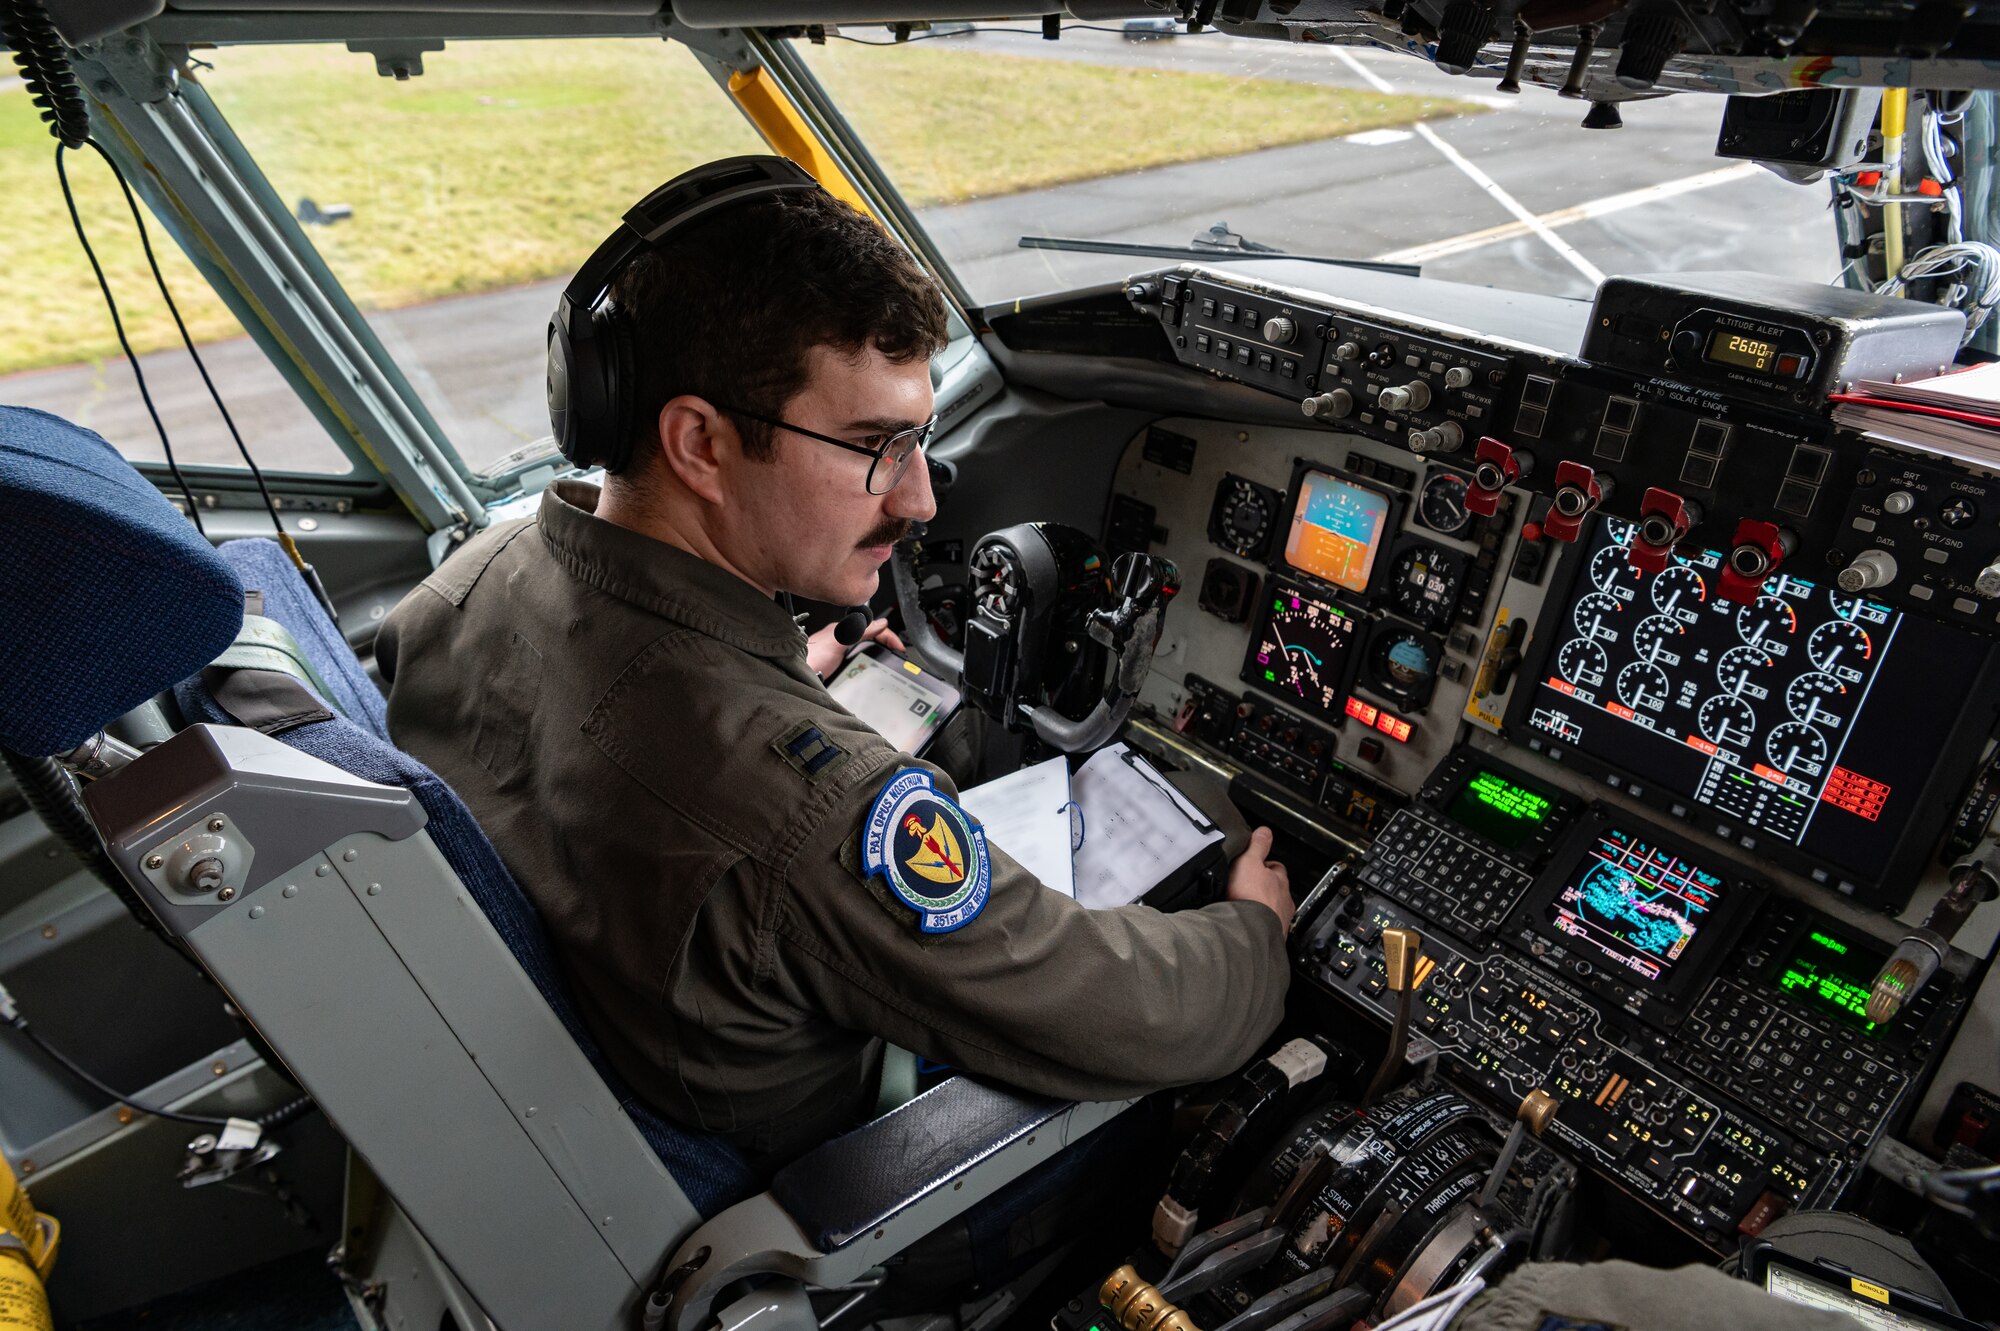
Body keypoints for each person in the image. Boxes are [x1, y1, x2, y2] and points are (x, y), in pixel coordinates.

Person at [377, 164, 1293, 1174]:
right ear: (699, 443)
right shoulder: (812, 810)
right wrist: (1251, 933)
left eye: (919, 442)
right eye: (874, 445)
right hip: (848, 1195)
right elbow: (1144, 1019)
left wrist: (776, 677)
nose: (917, 501)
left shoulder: (467, 584)